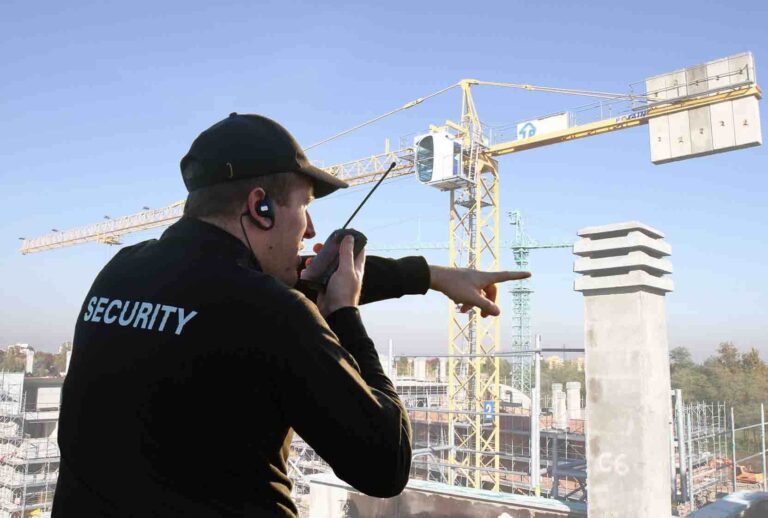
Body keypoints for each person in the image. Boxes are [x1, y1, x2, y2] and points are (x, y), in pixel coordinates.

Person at [53, 113, 530, 517]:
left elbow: (271, 286)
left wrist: (431, 275)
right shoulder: (272, 313)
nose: (311, 227)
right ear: (260, 206)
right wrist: (342, 313)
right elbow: (385, 465)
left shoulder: (121, 270)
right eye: (304, 204)